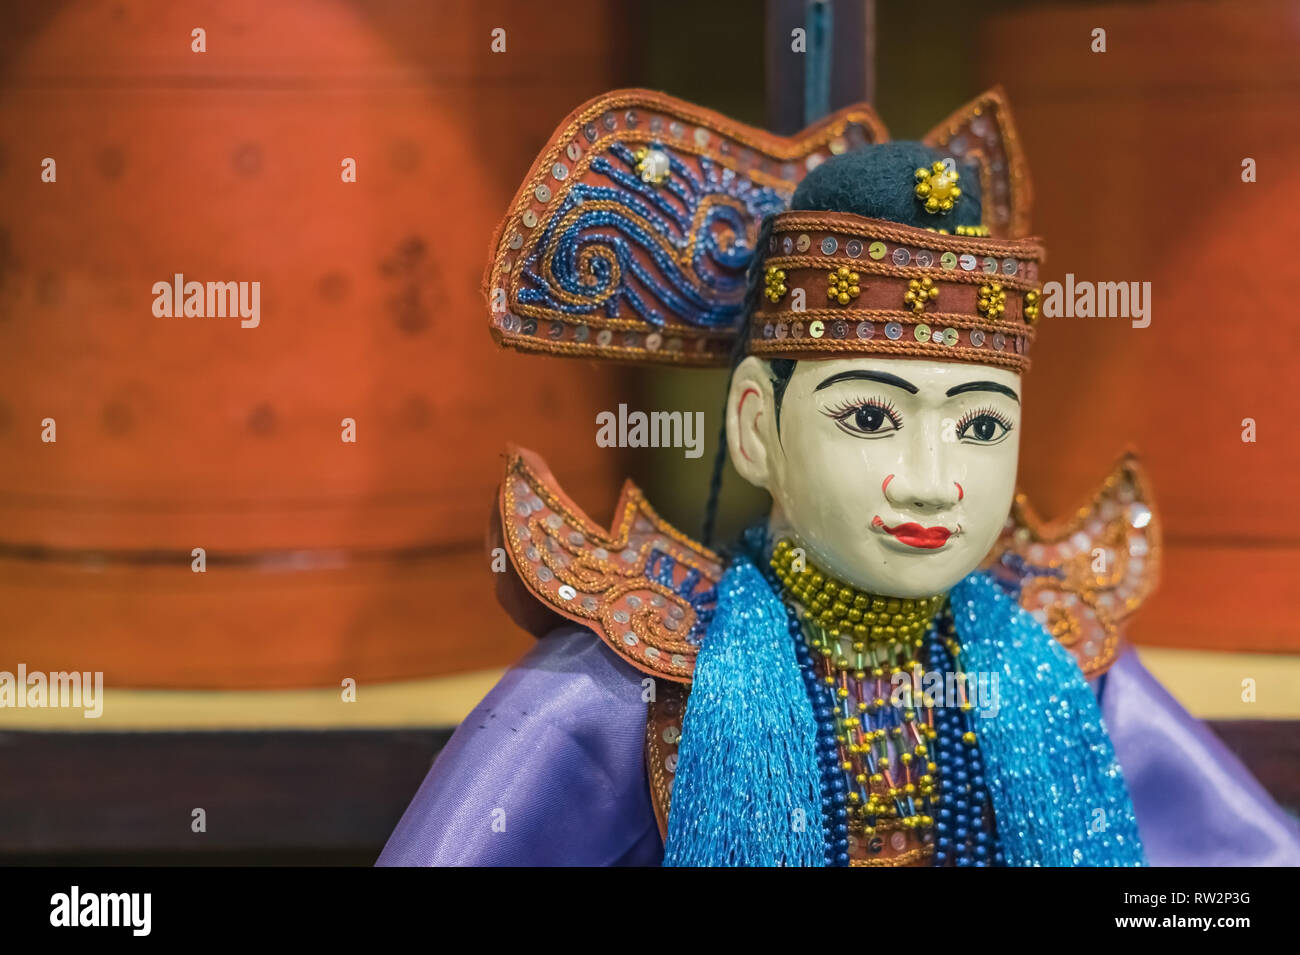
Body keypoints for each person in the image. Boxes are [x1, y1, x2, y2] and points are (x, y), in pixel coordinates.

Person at [378, 88, 1300, 866]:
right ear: (754, 428)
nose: (933, 482)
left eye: (981, 425)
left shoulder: (1062, 666)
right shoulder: (643, 681)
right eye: (868, 418)